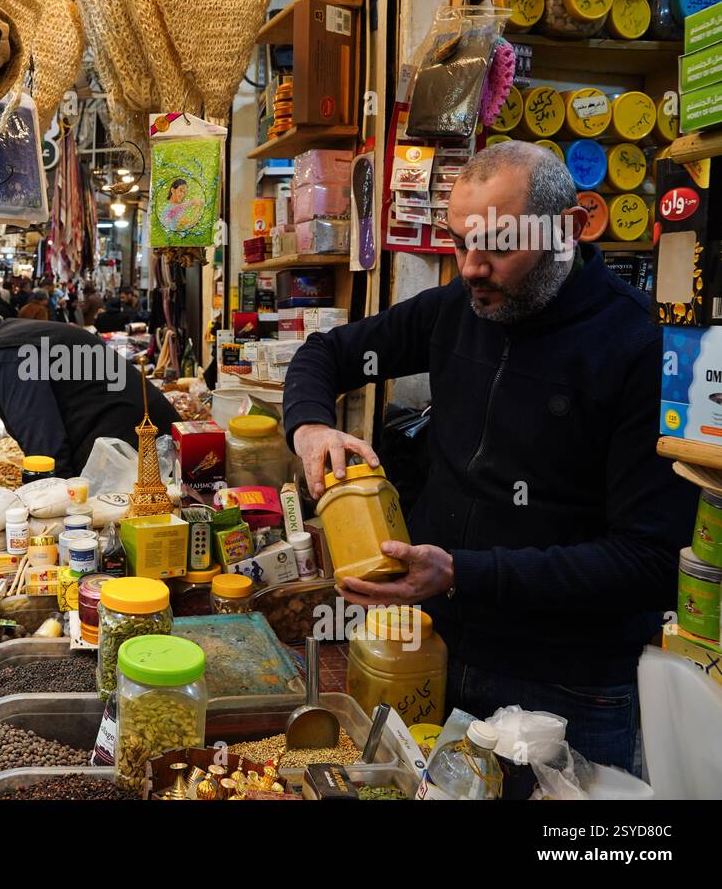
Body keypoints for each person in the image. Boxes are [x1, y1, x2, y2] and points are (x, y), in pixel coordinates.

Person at [280, 141, 694, 772]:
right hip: (433, 650)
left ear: (571, 227)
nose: (471, 267)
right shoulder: (456, 310)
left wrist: (464, 573)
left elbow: (649, 561)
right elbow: (326, 353)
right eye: (458, 242)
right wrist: (310, 427)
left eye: (499, 245)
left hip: (567, 692)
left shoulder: (642, 347)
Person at [0, 292, 181, 477]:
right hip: (147, 444)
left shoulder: (6, 354)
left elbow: (44, 445)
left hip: (143, 453)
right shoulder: (18, 337)